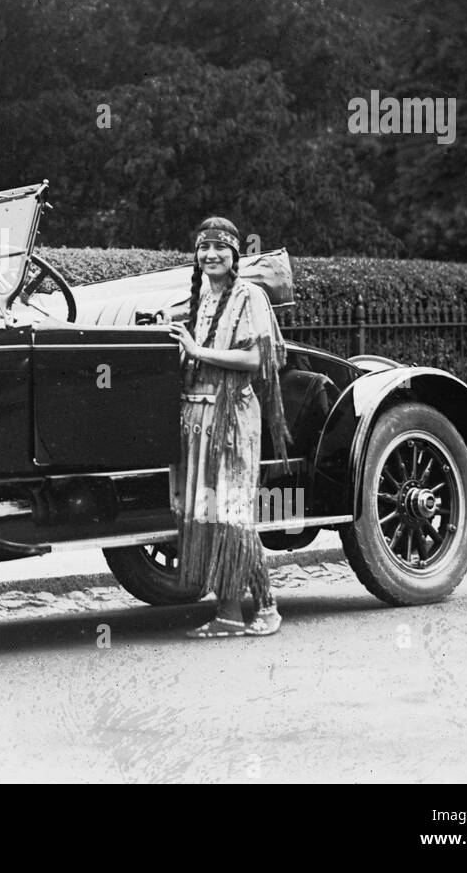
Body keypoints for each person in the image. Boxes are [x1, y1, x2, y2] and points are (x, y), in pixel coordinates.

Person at [169, 216, 289, 638]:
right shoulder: (201, 298)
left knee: (233, 515)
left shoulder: (249, 295)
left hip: (233, 418)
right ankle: (232, 612)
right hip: (197, 418)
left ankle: (263, 608)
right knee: (209, 514)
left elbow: (257, 360)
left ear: (235, 253)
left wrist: (197, 351)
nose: (211, 255)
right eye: (204, 247)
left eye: (220, 247)